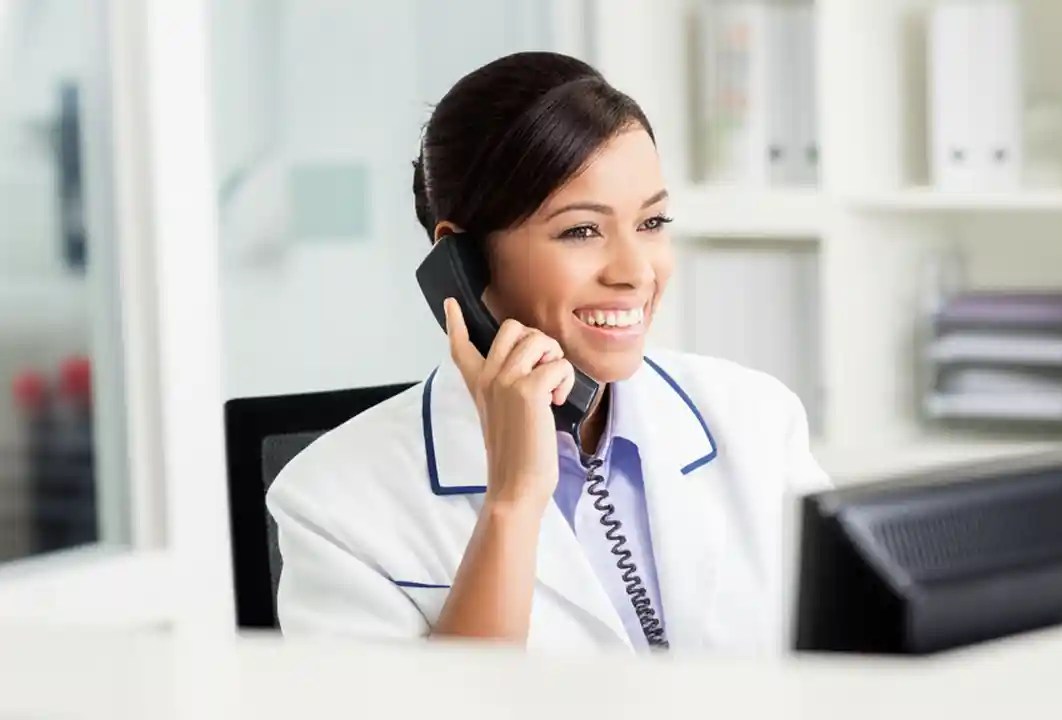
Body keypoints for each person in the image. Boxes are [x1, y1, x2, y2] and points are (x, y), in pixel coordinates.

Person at [267, 51, 831, 655]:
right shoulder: (333, 502)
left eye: (652, 221)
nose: (635, 272)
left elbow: (854, 662)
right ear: (463, 262)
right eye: (581, 231)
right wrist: (512, 500)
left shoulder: (757, 419)